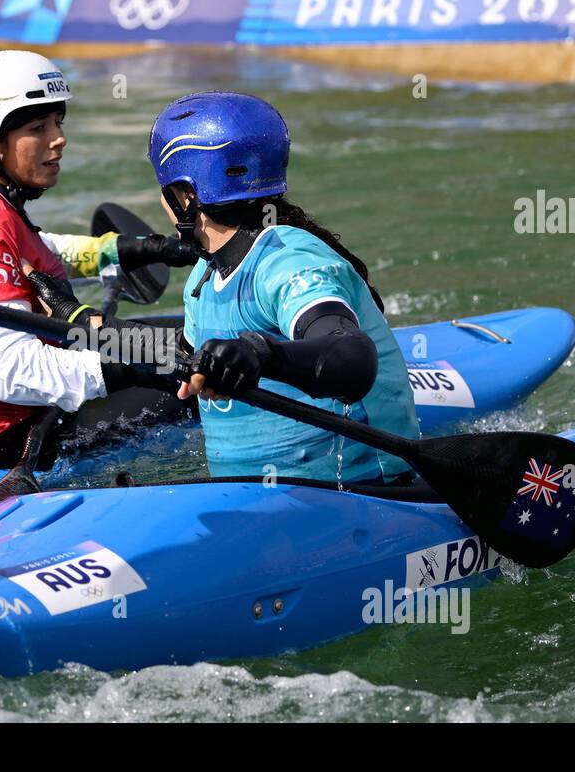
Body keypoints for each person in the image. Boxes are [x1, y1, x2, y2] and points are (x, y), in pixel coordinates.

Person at [35, 91, 418, 484]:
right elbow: (180, 357)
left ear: (185, 196)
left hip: (361, 492)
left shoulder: (287, 260)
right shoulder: (207, 272)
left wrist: (260, 352)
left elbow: (351, 358)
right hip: (257, 498)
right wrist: (83, 326)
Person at [0, 50, 198, 443]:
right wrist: (136, 366)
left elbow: (30, 250)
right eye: (38, 127)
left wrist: (133, 250)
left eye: (57, 122)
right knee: (197, 347)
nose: (59, 138)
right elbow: (6, 368)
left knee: (170, 339)